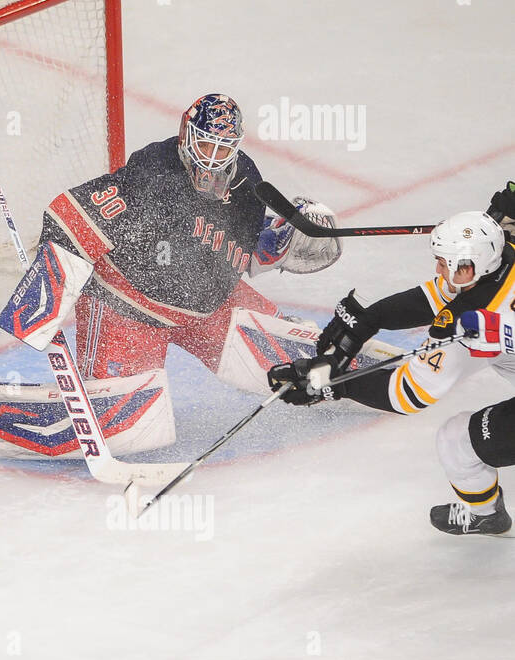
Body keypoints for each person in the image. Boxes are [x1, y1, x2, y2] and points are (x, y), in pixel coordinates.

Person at [30, 92, 342, 452]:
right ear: (186, 135)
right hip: (129, 310)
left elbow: (241, 247)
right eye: (205, 144)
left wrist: (284, 237)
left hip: (212, 307)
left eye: (223, 149)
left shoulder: (247, 181)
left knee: (305, 365)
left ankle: (374, 378)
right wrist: (47, 285)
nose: (212, 158)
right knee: (130, 427)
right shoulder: (152, 172)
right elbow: (71, 214)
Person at [268, 185, 515, 536]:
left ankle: (485, 514)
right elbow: (433, 298)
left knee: (455, 441)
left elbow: (408, 394)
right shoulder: (503, 260)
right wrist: (366, 321)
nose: (440, 270)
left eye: (448, 265)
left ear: (472, 267)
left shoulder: (469, 322)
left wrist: (334, 385)